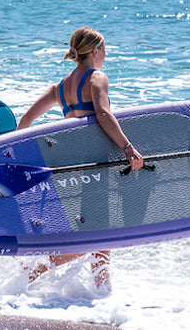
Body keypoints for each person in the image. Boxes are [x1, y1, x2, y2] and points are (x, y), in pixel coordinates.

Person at [16, 26, 144, 290]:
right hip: (96, 163)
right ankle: (34, 272)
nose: (106, 55)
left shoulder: (60, 88)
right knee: (98, 235)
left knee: (99, 230)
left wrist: (18, 152)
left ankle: (101, 292)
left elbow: (27, 120)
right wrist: (128, 147)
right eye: (104, 50)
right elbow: (104, 115)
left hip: (71, 165)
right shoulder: (97, 78)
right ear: (95, 51)